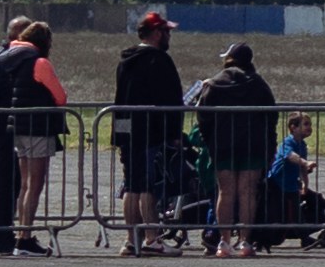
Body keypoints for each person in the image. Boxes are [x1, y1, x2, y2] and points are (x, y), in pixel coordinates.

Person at [0, 19, 63, 255]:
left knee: (18, 184)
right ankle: (13, 236)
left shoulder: (5, 58)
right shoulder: (33, 61)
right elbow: (60, 97)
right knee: (24, 184)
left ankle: (11, 235)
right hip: (29, 127)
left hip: (11, 127)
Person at [192, 39, 281, 249]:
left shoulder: (214, 84)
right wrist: (270, 144)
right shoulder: (258, 84)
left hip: (223, 146)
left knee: (226, 191)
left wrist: (210, 140)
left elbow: (203, 117)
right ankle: (245, 241)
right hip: (253, 145)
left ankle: (224, 241)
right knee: (248, 192)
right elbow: (271, 117)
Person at [113, 12, 191, 249]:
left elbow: (120, 99)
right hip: (150, 131)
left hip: (127, 130)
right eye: (166, 32)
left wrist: (119, 133)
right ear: (157, 33)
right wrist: (175, 134)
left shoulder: (126, 60)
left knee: (131, 184)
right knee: (147, 185)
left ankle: (130, 240)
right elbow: (171, 100)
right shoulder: (158, 60)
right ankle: (151, 238)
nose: (169, 36)